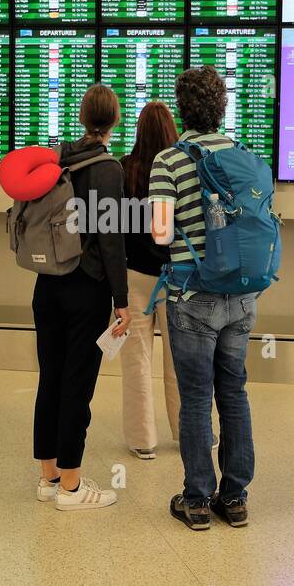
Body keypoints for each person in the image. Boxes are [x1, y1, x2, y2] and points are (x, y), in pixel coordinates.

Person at [151, 66, 257, 531]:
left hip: (191, 294)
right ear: (222, 108)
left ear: (182, 109)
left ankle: (197, 500)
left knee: (195, 397)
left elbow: (159, 233)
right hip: (242, 295)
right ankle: (234, 498)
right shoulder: (243, 153)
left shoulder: (169, 160)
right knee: (233, 391)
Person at [33, 85, 131, 512]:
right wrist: (121, 299)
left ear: (80, 117)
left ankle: (49, 476)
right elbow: (111, 241)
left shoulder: (56, 161)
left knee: (50, 378)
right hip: (85, 288)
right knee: (77, 384)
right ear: (115, 119)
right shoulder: (108, 169)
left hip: (47, 283)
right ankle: (72, 487)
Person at [119, 101, 181, 460]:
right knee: (181, 361)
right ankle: (187, 430)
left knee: (136, 360)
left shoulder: (126, 169)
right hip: (176, 277)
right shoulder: (180, 168)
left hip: (134, 276)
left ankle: (143, 439)